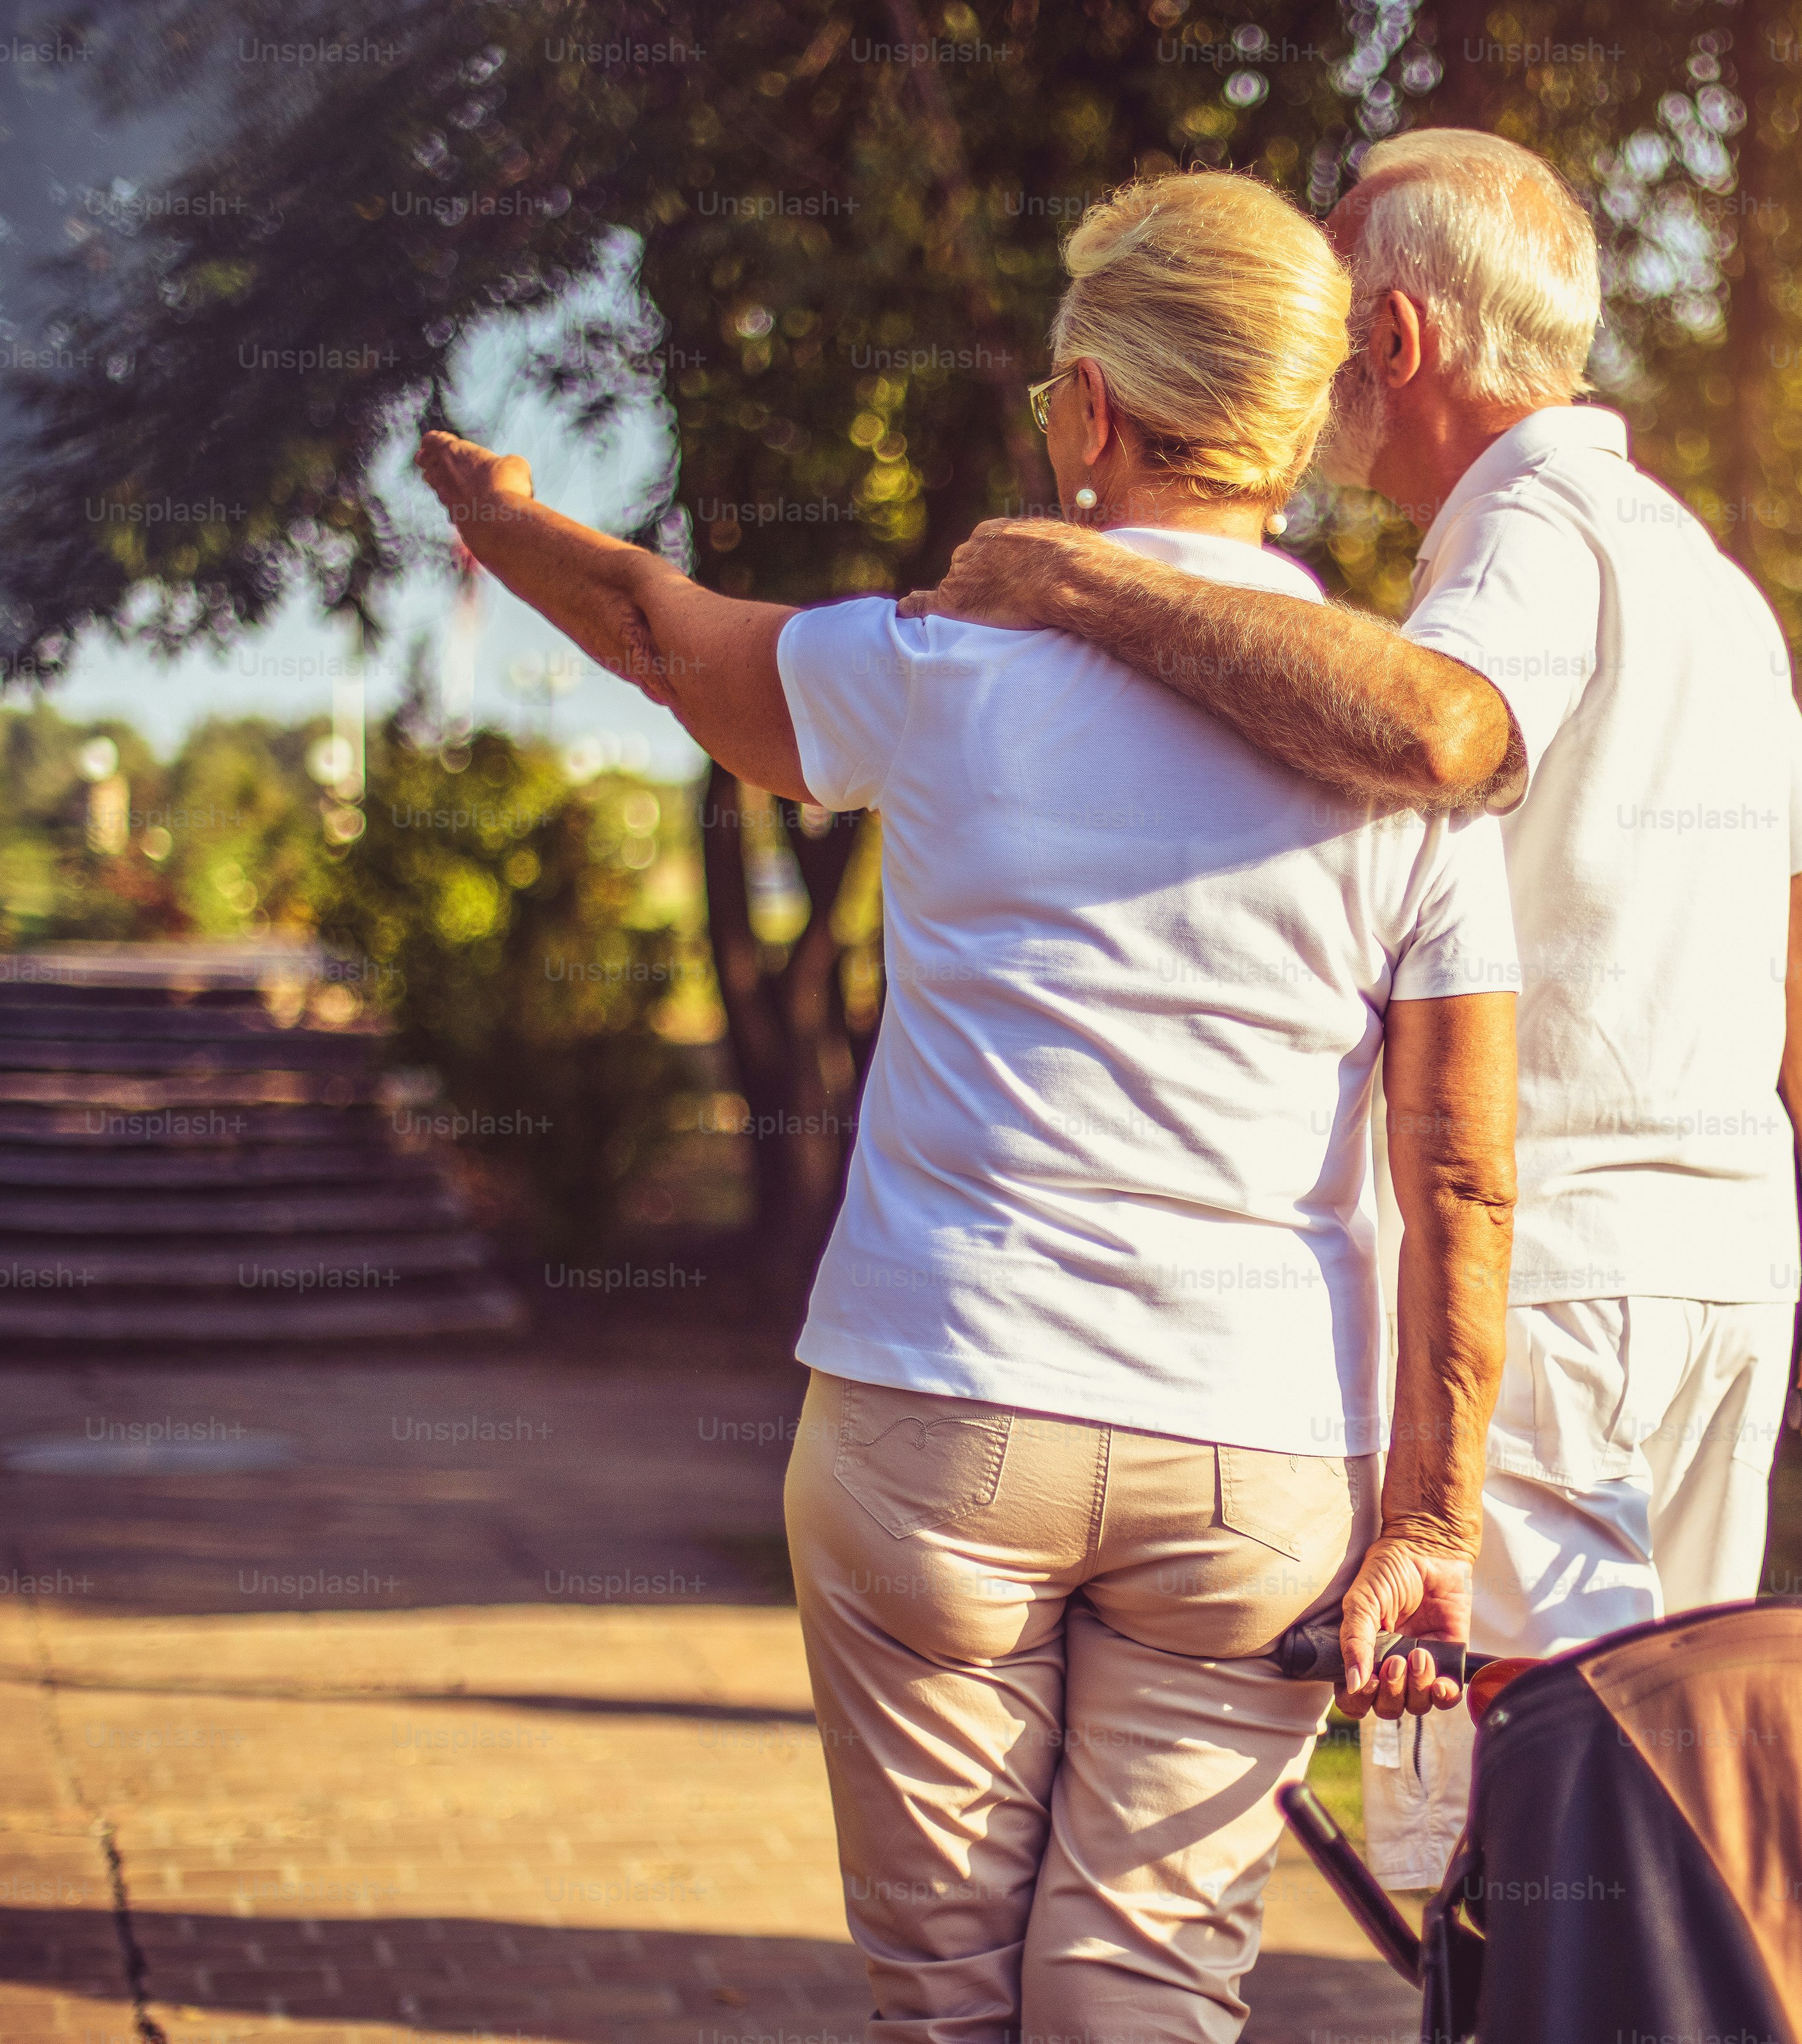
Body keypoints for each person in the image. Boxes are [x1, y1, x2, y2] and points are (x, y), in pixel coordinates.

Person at [414, 169, 1519, 2044]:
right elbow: (1469, 1170)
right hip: (1257, 1459)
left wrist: (500, 520)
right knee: (1145, 1989)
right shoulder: (1406, 768)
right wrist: (1431, 1510)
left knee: (945, 1998)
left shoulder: (934, 668)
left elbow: (660, 633)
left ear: (1090, 411)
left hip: (944, 1413)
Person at [900, 127, 1802, 1891]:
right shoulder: (1700, 574)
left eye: (1320, 325)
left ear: (1390, 342)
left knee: (1521, 1847)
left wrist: (1070, 577)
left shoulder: (1518, 542)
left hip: (1551, 1307)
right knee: (1679, 1821)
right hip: (1722, 1287)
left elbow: (1436, 731)